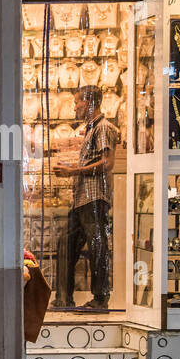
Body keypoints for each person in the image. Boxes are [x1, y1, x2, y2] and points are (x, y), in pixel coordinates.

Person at [53, 85, 117, 310]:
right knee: (66, 245)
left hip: (94, 198)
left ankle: (100, 299)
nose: (75, 106)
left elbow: (107, 164)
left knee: (97, 248)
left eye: (78, 102)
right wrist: (72, 167)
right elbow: (94, 162)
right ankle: (63, 298)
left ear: (89, 101)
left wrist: (73, 171)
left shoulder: (103, 128)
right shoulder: (91, 129)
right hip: (82, 198)